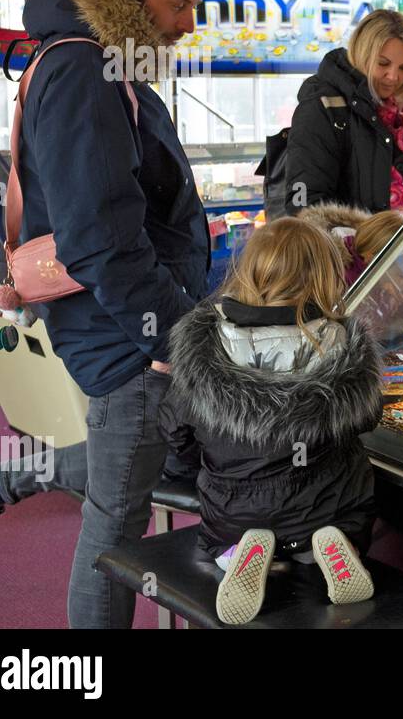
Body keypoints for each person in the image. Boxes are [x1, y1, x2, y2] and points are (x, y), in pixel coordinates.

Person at [0, 0, 211, 629]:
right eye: (178, 4)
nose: (188, 24)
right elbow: (101, 241)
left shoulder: (106, 62)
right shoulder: (83, 70)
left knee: (125, 468)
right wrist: (175, 336)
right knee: (115, 528)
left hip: (127, 328)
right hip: (128, 339)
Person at [159, 218, 381, 625]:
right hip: (323, 505)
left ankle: (237, 554)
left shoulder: (207, 346)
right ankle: (328, 544)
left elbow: (175, 429)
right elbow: (367, 417)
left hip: (233, 512)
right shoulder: (339, 342)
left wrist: (202, 461)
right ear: (324, 277)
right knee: (347, 469)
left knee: (227, 531)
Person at [284, 9, 403, 214]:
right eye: (383, 63)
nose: (393, 76)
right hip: (354, 244)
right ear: (362, 54)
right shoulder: (322, 107)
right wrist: (359, 237)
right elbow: (306, 207)